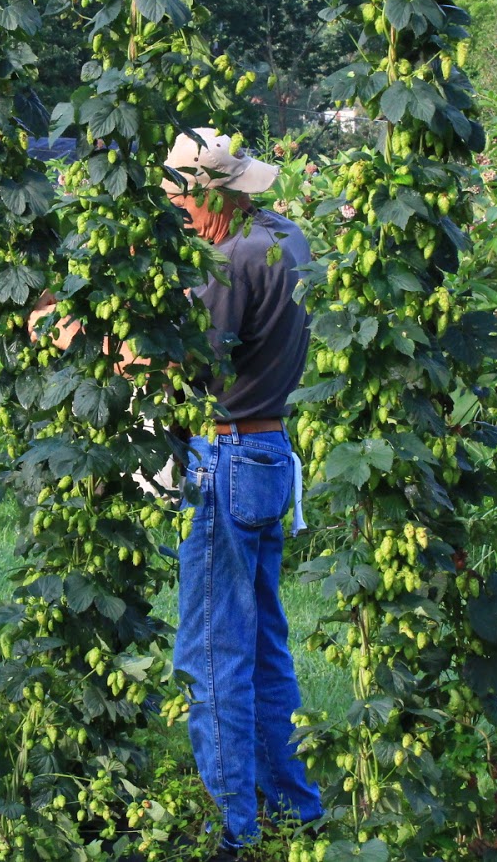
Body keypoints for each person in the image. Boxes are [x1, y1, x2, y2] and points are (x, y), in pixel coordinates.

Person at [164, 128, 322, 859]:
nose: (179, 215)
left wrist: (96, 339)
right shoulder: (287, 238)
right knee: (263, 642)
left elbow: (190, 366)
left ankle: (235, 830)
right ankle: (296, 806)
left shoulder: (231, 262)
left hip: (226, 457)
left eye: (181, 200)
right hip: (271, 449)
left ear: (209, 195)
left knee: (210, 650)